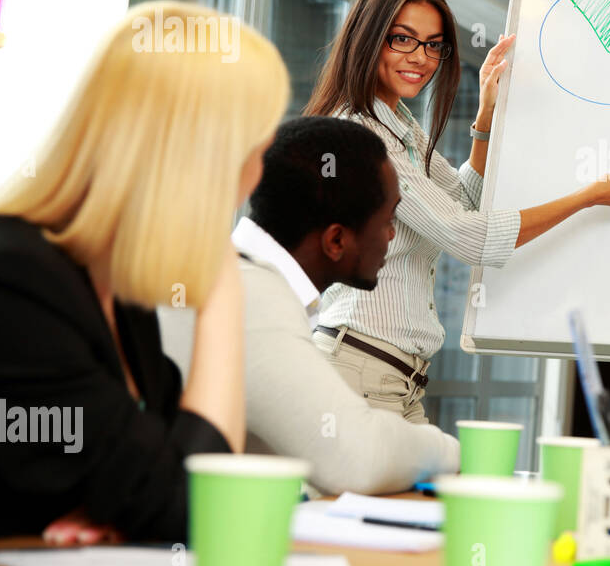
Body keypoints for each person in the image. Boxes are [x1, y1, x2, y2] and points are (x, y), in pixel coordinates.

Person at [304, 0, 610, 423]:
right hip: (357, 375)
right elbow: (470, 237)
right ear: (369, 38)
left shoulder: (399, 128)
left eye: (433, 44)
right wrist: (588, 198)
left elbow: (462, 199)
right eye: (403, 39)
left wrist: (485, 116)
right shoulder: (362, 135)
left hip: (390, 379)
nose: (421, 57)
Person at [0, 1, 288, 543]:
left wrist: (132, 510)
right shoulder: (10, 280)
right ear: (198, 162)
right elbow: (197, 505)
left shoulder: (115, 294)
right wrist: (222, 286)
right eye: (254, 152)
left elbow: (174, 477)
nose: (256, 175)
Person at [159, 117, 459, 493]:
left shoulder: (236, 274)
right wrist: (450, 450)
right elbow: (357, 457)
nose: (392, 235)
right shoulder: (251, 297)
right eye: (388, 219)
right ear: (336, 241)